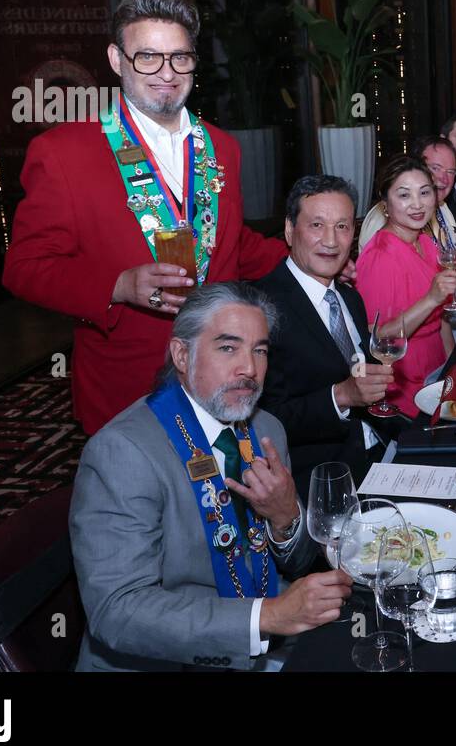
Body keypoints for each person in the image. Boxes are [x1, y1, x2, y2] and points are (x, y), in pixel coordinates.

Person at [2, 0, 287, 435]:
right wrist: (118, 285)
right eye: (148, 57)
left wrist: (307, 257)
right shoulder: (62, 153)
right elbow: (24, 268)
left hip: (222, 376)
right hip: (127, 387)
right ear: (117, 59)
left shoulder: (221, 147)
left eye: (180, 58)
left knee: (220, 496)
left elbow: (229, 242)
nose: (166, 74)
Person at [69, 282, 353, 671]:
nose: (249, 369)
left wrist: (286, 518)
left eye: (260, 351)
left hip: (271, 639)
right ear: (182, 355)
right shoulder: (123, 453)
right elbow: (117, 611)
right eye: (228, 348)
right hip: (168, 661)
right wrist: (265, 617)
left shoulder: (266, 429)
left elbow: (300, 562)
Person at [250, 176, 392, 488]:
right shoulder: (260, 308)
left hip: (381, 451)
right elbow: (261, 420)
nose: (331, 240)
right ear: (289, 230)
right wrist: (341, 396)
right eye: (317, 225)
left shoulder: (349, 297)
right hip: (323, 478)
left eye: (342, 226)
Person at [355, 155, 456, 418]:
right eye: (404, 195)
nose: (417, 204)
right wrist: (430, 299)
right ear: (385, 205)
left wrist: (452, 367)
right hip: (404, 385)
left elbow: (442, 319)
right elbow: (376, 339)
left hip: (436, 372)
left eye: (424, 193)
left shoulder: (424, 241)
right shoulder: (379, 256)